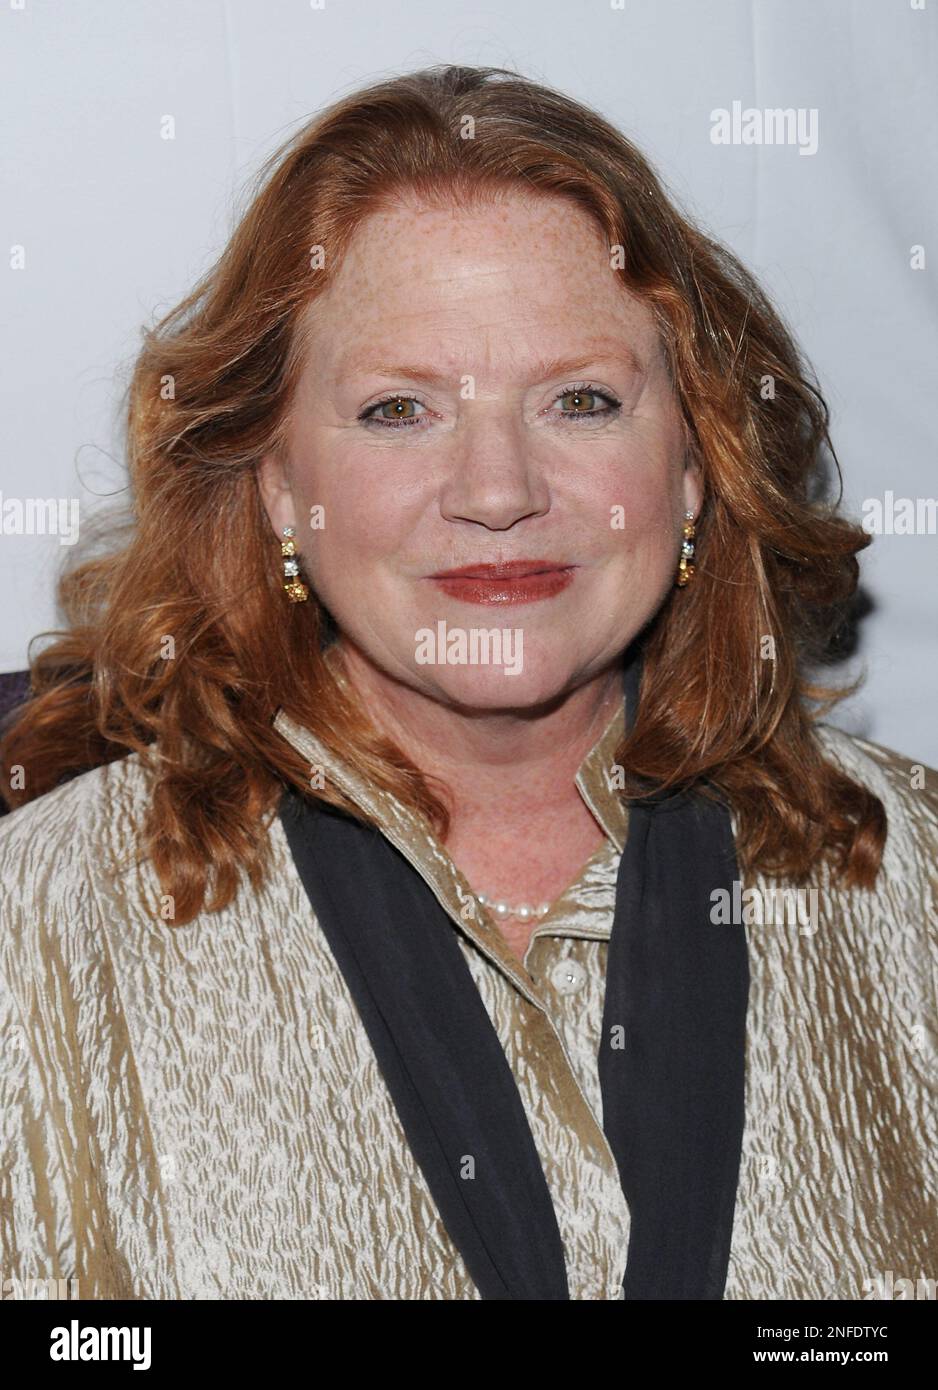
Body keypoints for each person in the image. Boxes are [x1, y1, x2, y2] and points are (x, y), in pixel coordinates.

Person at [0, 63, 934, 1303]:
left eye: (581, 400)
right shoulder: (49, 923)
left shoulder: (908, 881)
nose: (497, 489)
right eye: (399, 410)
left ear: (698, 463)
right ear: (277, 483)